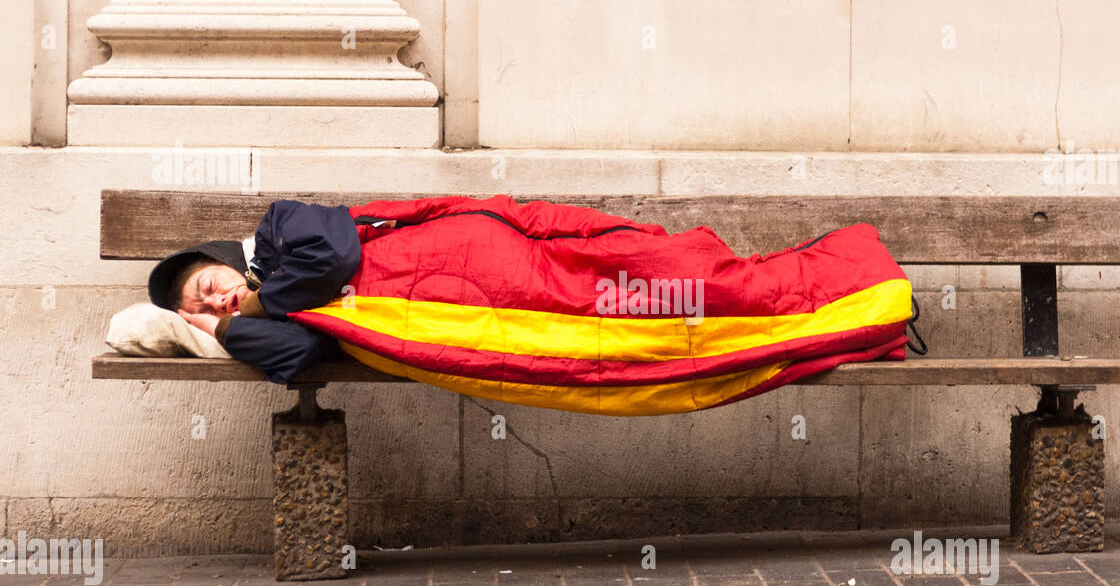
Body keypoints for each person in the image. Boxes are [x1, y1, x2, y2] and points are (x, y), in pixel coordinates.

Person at [149, 194, 917, 414]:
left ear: (216, 259)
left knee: (678, 282)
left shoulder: (279, 232)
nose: (211, 294)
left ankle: (853, 281)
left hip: (503, 264)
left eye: (203, 281)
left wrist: (253, 293)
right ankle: (854, 305)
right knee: (655, 332)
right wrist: (235, 326)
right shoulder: (271, 318)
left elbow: (339, 255)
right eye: (198, 305)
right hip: (493, 309)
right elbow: (304, 355)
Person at [148, 200, 366, 384]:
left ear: (222, 261)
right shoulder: (269, 324)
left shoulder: (278, 225)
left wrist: (257, 303)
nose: (218, 303)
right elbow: (305, 347)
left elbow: (332, 256)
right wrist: (221, 329)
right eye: (207, 312)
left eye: (209, 286)